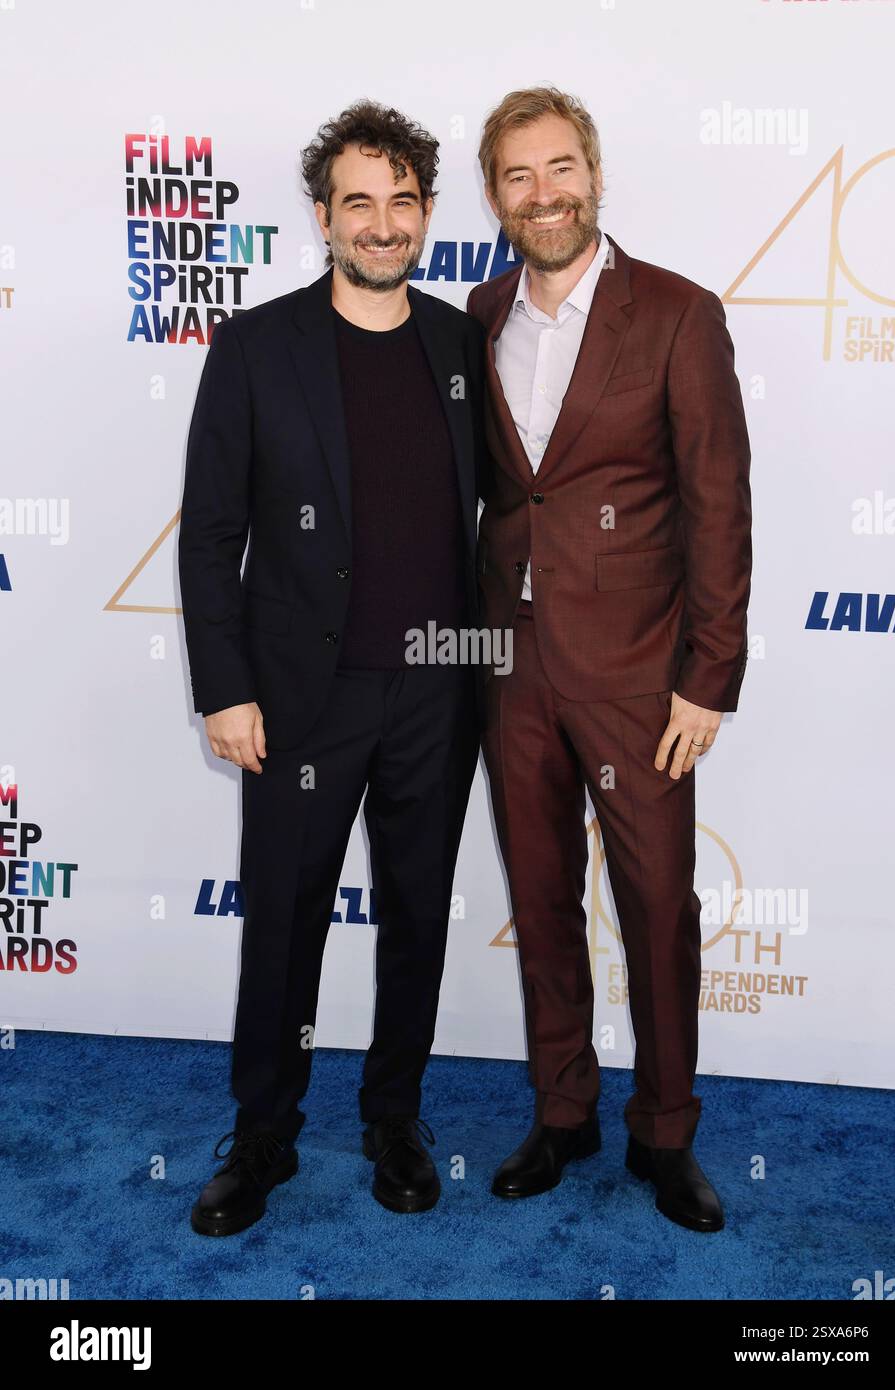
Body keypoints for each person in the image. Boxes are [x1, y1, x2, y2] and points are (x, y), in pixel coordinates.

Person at [178, 100, 486, 1235]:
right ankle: (263, 1133)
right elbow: (210, 530)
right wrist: (223, 685)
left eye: (402, 200)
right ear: (323, 215)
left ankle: (393, 1118)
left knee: (416, 916)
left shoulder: (460, 341)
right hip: (299, 699)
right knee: (286, 919)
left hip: (437, 693)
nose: (382, 221)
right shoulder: (257, 346)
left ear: (425, 214)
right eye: (359, 200)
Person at [467, 86, 753, 1232]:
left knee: (653, 904)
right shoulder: (479, 314)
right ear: (495, 197)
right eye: (519, 177)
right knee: (539, 900)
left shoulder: (678, 314)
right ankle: (563, 1110)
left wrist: (709, 672)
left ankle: (666, 1132)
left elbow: (717, 505)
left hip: (641, 673)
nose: (545, 195)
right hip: (510, 666)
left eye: (560, 169)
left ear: (595, 174)